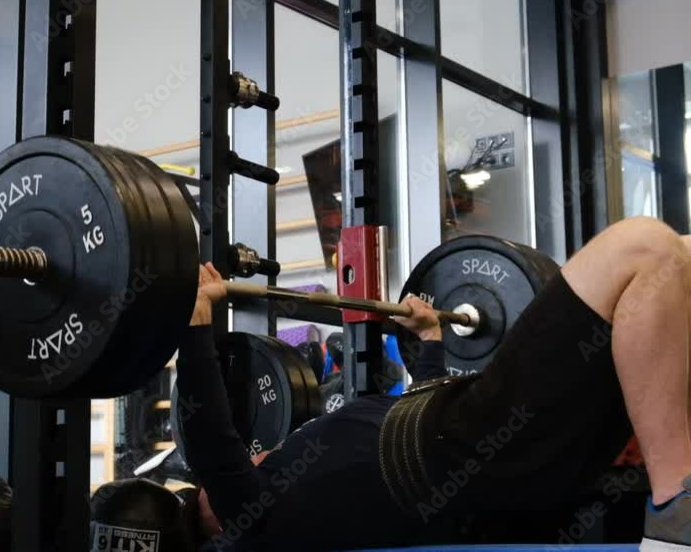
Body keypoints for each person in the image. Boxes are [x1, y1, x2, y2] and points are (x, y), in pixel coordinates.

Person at [175, 217, 691, 552]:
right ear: (220, 523)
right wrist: (196, 329)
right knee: (640, 249)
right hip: (481, 448)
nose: (250, 456)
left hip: (474, 428)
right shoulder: (257, 518)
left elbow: (415, 415)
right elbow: (212, 446)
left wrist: (432, 338)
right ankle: (677, 516)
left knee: (679, 264)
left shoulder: (311, 462)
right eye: (206, 497)